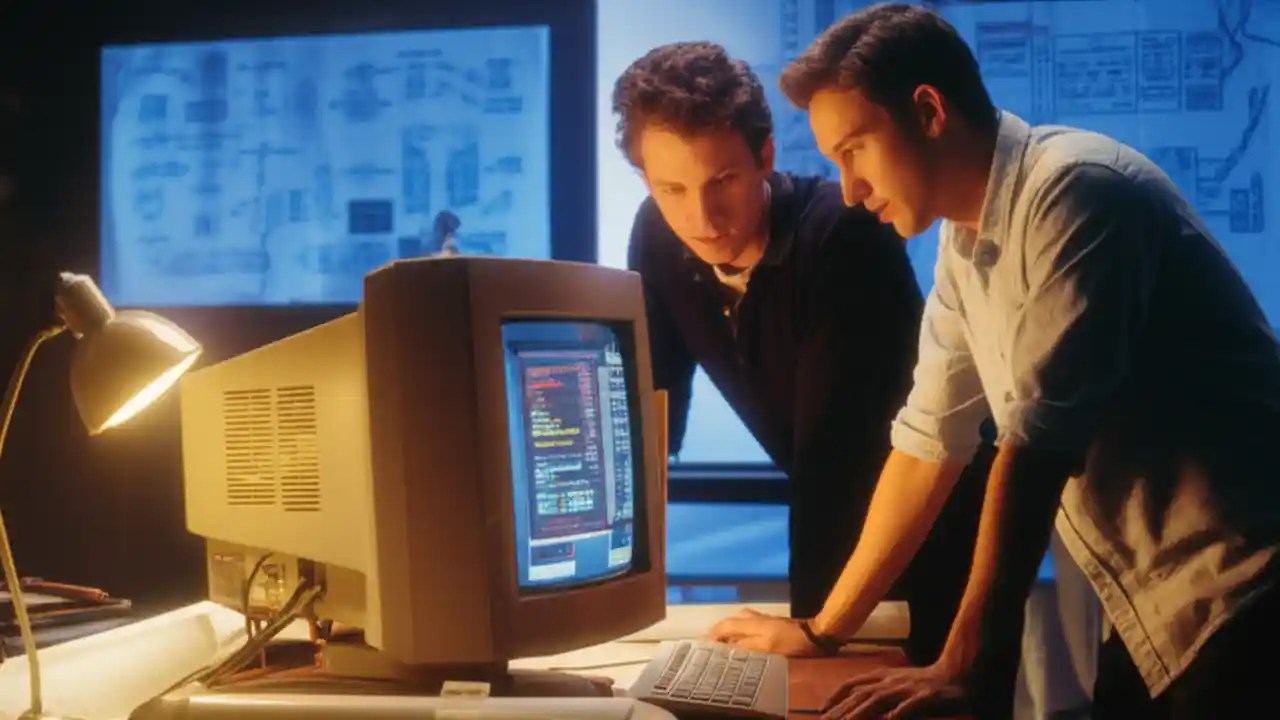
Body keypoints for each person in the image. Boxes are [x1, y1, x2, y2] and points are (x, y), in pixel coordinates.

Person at [707, 4, 1280, 720]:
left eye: (854, 149)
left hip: (1249, 599)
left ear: (928, 111)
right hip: (1164, 609)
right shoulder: (966, 242)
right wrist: (824, 631)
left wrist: (970, 663)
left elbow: (1036, 446)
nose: (848, 189)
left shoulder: (1077, 191)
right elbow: (926, 446)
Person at [614, 41, 1001, 679]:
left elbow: (835, 467)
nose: (701, 218)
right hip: (843, 528)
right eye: (671, 188)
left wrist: (814, 636)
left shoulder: (843, 236)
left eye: (724, 181)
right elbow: (653, 413)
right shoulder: (655, 236)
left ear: (765, 156)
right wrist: (624, 605)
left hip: (938, 529)